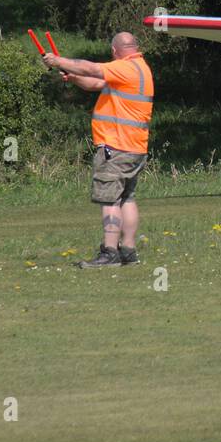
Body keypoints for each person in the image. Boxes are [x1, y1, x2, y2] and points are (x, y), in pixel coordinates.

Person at [43, 32, 154, 269]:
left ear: (115, 51)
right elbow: (95, 83)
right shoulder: (140, 68)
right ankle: (128, 250)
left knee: (110, 199)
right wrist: (72, 78)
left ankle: (110, 253)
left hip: (117, 146)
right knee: (127, 198)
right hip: (135, 147)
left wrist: (58, 61)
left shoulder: (124, 68)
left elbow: (92, 69)